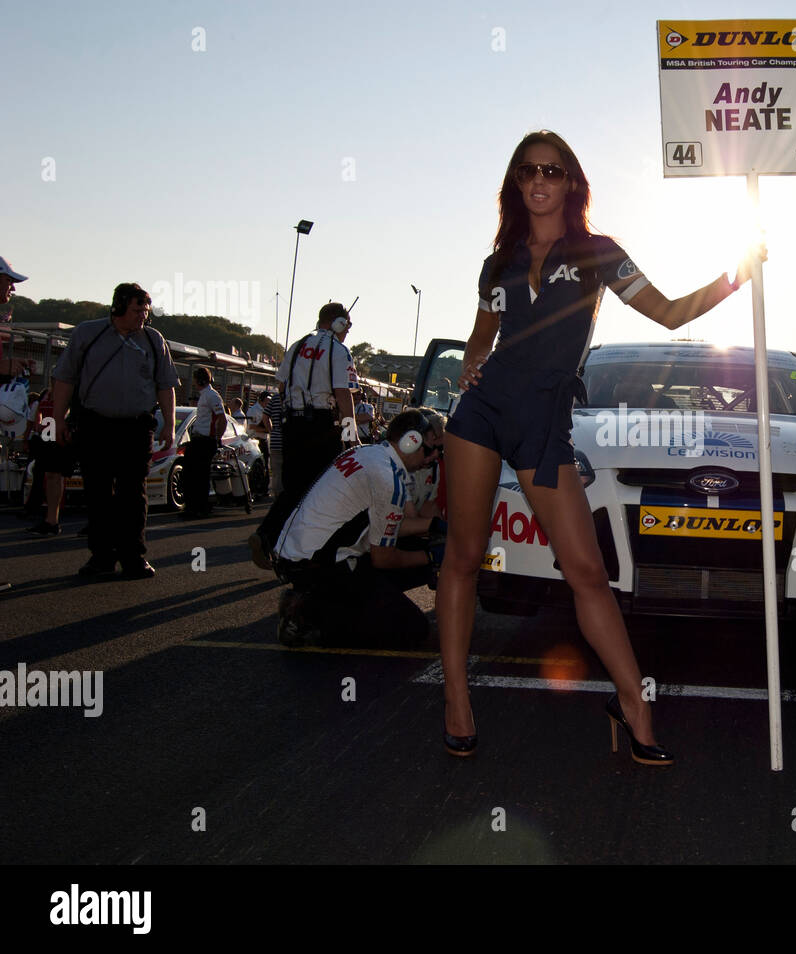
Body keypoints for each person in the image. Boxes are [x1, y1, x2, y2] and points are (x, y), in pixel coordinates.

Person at [439, 129, 763, 764]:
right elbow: (483, 335)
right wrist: (472, 364)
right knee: (464, 557)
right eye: (528, 170)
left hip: (543, 419)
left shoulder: (599, 252)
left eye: (553, 171)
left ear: (571, 182)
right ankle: (456, 699)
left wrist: (735, 275)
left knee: (587, 571)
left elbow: (670, 312)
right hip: (480, 412)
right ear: (514, 181)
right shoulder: (497, 260)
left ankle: (633, 703)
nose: (540, 180)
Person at [272, 409, 441, 648]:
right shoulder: (387, 479)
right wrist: (430, 556)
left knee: (418, 558)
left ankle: (323, 602)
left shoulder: (369, 453)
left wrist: (438, 526)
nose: (432, 456)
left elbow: (387, 526)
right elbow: (384, 557)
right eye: (429, 448)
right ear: (410, 442)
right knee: (413, 629)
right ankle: (312, 616)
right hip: (319, 565)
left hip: (301, 555)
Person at [50, 283, 178, 579]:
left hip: (136, 427)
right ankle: (101, 557)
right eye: (136, 311)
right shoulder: (87, 333)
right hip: (96, 425)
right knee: (98, 492)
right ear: (118, 307)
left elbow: (165, 385)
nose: (141, 317)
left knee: (134, 494)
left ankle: (134, 556)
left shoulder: (153, 339)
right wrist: (58, 419)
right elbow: (64, 379)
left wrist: (169, 424)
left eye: (145, 312)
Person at [249, 302, 357, 569]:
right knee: (322, 488)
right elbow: (343, 394)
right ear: (338, 323)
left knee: (294, 486)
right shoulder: (339, 350)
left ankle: (269, 536)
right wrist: (351, 433)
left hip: (292, 424)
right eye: (348, 325)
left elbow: (281, 385)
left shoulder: (297, 346)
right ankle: (306, 550)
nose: (348, 332)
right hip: (322, 423)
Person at [26, 387, 76, 535]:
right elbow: (38, 414)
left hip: (62, 434)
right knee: (50, 475)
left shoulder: (69, 391)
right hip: (47, 435)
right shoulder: (46, 395)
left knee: (57, 475)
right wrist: (38, 425)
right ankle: (51, 520)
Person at [182, 367, 224, 519]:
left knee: (198, 475)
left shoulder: (212, 396)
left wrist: (217, 438)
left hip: (205, 440)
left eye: (195, 379)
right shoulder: (204, 395)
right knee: (192, 474)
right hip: (199, 439)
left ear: (200, 380)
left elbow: (222, 418)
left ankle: (198, 508)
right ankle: (193, 506)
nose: (193, 383)